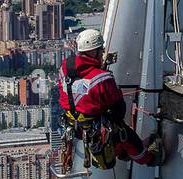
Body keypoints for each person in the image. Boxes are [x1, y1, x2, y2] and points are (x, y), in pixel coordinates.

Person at [58, 28, 161, 170]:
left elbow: (74, 90)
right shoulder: (102, 78)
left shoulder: (64, 68)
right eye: (101, 50)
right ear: (94, 52)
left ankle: (121, 151)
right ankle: (149, 158)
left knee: (112, 136)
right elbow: (118, 109)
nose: (102, 53)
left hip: (75, 126)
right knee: (127, 136)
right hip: (95, 127)